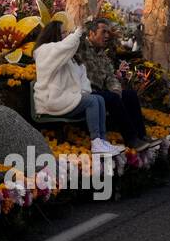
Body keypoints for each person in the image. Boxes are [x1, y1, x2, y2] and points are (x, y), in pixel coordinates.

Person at [32, 19, 122, 156]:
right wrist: (79, 30)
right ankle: (96, 141)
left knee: (98, 99)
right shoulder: (44, 51)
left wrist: (84, 93)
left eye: (67, 33)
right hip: (51, 100)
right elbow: (63, 47)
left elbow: (82, 77)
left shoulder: (67, 57)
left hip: (65, 98)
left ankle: (102, 141)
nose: (67, 35)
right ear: (54, 34)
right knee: (92, 101)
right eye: (63, 33)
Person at [80, 18, 153, 149]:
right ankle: (131, 139)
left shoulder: (103, 55)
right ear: (91, 33)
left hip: (102, 93)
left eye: (108, 32)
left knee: (129, 94)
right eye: (103, 32)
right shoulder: (82, 48)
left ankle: (142, 136)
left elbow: (111, 78)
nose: (107, 36)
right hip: (87, 93)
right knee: (112, 98)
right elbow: (76, 35)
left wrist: (116, 91)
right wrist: (90, 19)